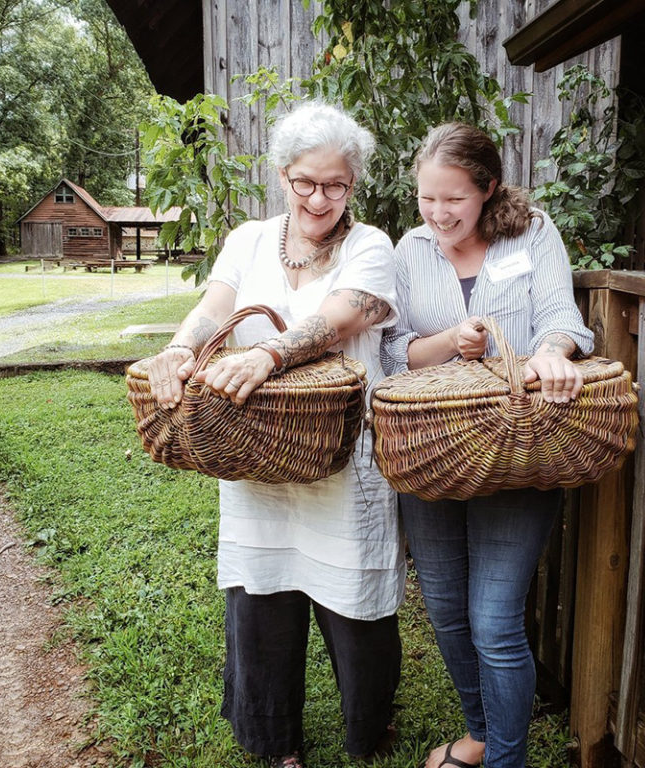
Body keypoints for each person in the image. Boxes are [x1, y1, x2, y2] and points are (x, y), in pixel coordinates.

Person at [147, 102, 404, 768]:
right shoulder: (251, 240)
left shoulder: (370, 245)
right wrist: (180, 348)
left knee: (355, 602)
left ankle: (366, 729)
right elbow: (214, 308)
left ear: (354, 184)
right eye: (304, 182)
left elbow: (342, 317)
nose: (320, 198)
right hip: (257, 451)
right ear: (281, 175)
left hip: (341, 458)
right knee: (261, 596)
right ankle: (273, 742)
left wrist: (268, 355)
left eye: (336, 185)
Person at [380, 122, 594, 768]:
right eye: (427, 198)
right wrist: (451, 341)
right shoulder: (409, 250)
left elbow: (562, 320)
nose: (439, 214)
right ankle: (478, 732)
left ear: (489, 188)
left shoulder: (533, 233)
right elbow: (394, 353)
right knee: (446, 612)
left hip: (520, 454)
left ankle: (506, 759)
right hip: (432, 457)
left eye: (455, 199)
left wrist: (553, 354)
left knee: (495, 621)